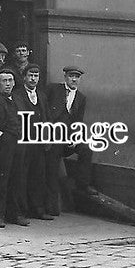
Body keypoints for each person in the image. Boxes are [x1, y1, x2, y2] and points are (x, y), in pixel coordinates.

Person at [0, 67, 24, 227]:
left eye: (10, 80)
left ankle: (14, 214)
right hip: (2, 145)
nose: (7, 84)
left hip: (19, 144)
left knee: (17, 179)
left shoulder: (19, 100)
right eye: (4, 81)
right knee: (2, 180)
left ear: (14, 83)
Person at [13, 63, 54, 221]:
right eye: (30, 75)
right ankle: (22, 210)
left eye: (36, 76)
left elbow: (47, 118)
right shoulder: (17, 95)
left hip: (39, 142)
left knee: (38, 176)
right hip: (23, 142)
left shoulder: (42, 96)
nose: (33, 79)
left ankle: (38, 209)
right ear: (24, 77)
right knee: (22, 177)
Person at [49, 65, 94, 195]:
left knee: (86, 150)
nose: (74, 79)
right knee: (53, 159)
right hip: (52, 136)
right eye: (71, 76)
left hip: (68, 138)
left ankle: (83, 185)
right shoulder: (53, 89)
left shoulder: (81, 97)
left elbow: (78, 122)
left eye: (77, 77)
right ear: (65, 77)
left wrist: (75, 138)